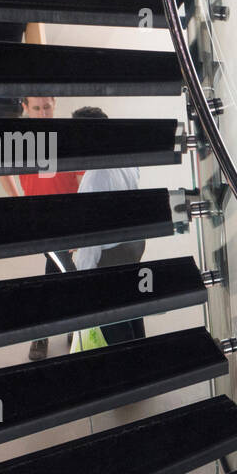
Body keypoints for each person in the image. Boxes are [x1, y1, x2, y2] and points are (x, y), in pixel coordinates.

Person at [6, 95, 83, 360]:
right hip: (40, 220)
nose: (43, 113)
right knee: (62, 270)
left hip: (67, 218)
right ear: (25, 108)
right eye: (36, 108)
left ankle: (48, 330)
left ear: (55, 103)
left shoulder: (67, 138)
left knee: (59, 270)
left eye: (47, 107)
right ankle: (71, 324)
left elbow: (83, 179)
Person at [70, 106, 146, 345]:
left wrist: (84, 273)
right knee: (133, 307)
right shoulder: (125, 157)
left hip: (110, 257)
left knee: (115, 326)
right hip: (133, 245)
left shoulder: (94, 179)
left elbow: (92, 239)